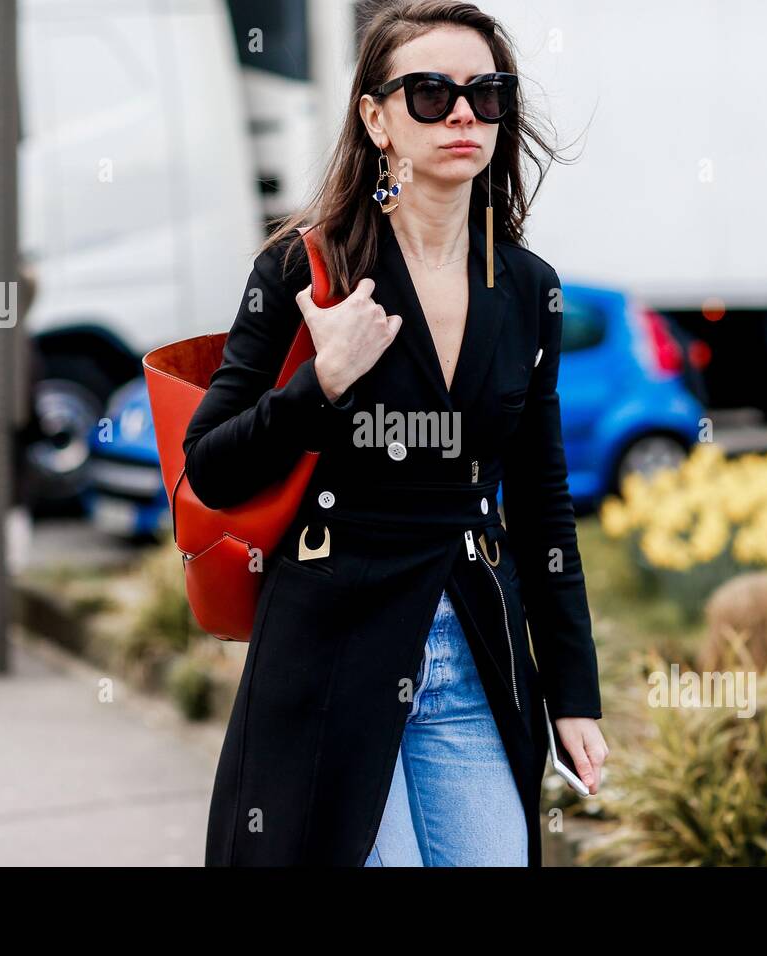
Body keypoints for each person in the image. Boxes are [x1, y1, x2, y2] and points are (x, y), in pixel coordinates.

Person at [184, 0, 608, 867]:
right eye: (430, 92)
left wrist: (574, 691)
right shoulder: (306, 267)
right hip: (335, 646)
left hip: (473, 646)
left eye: (487, 94)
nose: (463, 112)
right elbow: (210, 469)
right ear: (375, 117)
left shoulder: (528, 287)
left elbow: (541, 502)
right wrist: (320, 383)